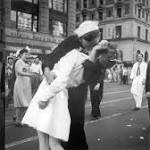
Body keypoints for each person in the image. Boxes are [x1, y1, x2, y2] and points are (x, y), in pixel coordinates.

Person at [22, 21, 117, 150]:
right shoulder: (72, 45)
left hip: (71, 93)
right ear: (80, 38)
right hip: (56, 89)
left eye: (94, 43)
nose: (89, 46)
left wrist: (99, 55)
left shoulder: (95, 52)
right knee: (50, 137)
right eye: (87, 43)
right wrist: (47, 72)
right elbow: (51, 58)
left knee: (72, 132)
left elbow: (90, 75)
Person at [13, 48, 33, 126]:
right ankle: (18, 121)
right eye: (25, 54)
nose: (27, 56)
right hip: (20, 84)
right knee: (20, 103)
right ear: (21, 55)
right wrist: (30, 75)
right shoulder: (18, 62)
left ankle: (21, 120)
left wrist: (30, 71)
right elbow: (19, 72)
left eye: (27, 54)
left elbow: (29, 71)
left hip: (26, 85)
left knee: (26, 104)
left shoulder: (26, 63)